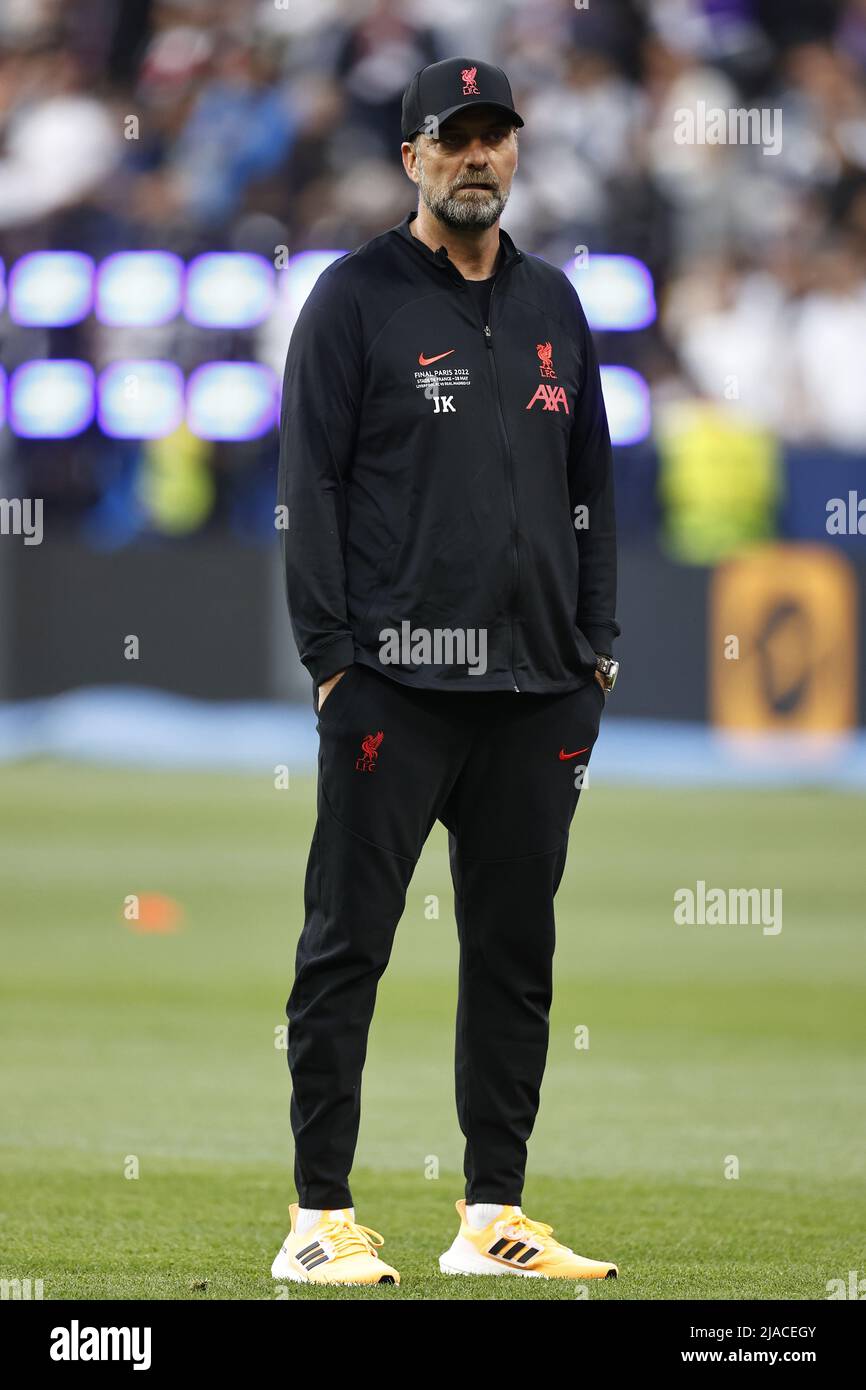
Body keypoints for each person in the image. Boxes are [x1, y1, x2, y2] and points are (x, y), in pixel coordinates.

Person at [273, 57, 620, 1287]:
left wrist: (599, 646)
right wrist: (329, 660)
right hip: (395, 684)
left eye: (494, 137)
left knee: (514, 953)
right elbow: (305, 488)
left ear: (513, 154)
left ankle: (491, 1214)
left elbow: (591, 482)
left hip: (537, 692)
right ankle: (318, 1216)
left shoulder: (551, 305)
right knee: (346, 944)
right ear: (411, 158)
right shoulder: (353, 299)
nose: (476, 157)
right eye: (451, 138)